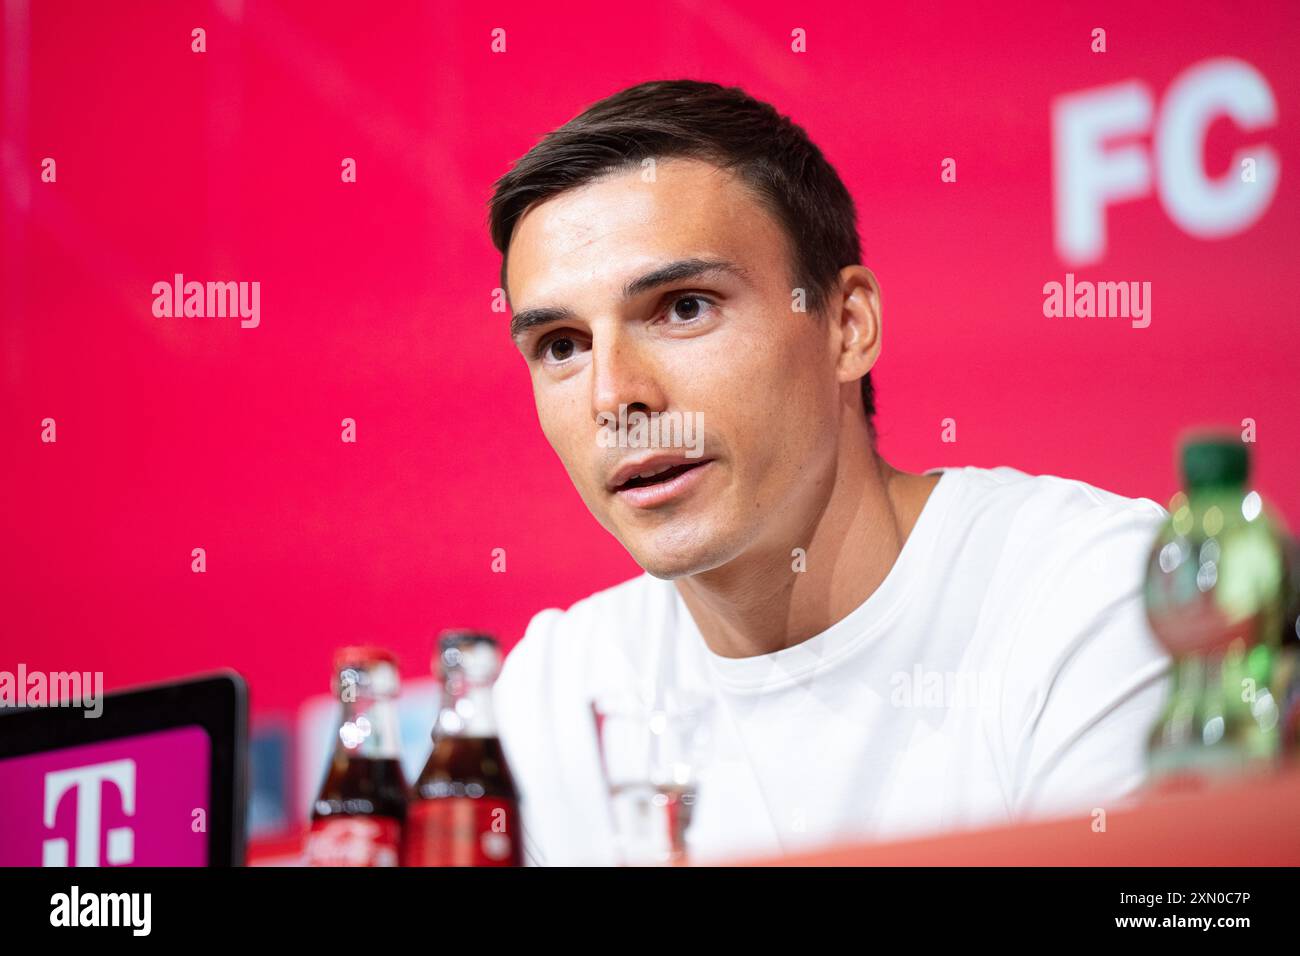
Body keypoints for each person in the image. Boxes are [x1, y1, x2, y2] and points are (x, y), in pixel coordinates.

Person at [486, 79, 1170, 865]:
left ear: (847, 326)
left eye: (683, 308)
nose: (615, 396)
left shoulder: (1102, 596)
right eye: (562, 347)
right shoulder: (555, 698)